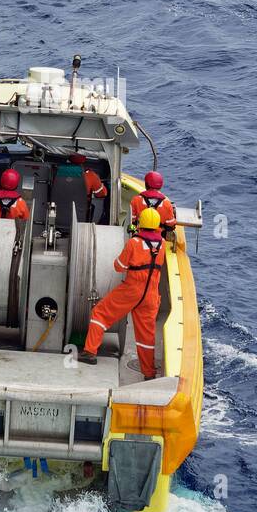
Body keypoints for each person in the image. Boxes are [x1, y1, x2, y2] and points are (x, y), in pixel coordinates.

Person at [78, 208, 166, 378]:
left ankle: (90, 352)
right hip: (151, 294)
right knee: (146, 337)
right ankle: (149, 373)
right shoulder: (162, 244)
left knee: (100, 313)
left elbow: (119, 266)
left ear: (140, 223)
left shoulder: (134, 243)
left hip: (132, 290)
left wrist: (132, 241)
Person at [70, 152, 108, 220]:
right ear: (84, 159)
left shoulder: (58, 171)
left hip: (59, 210)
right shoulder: (91, 175)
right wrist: (100, 183)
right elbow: (102, 193)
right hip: (81, 214)